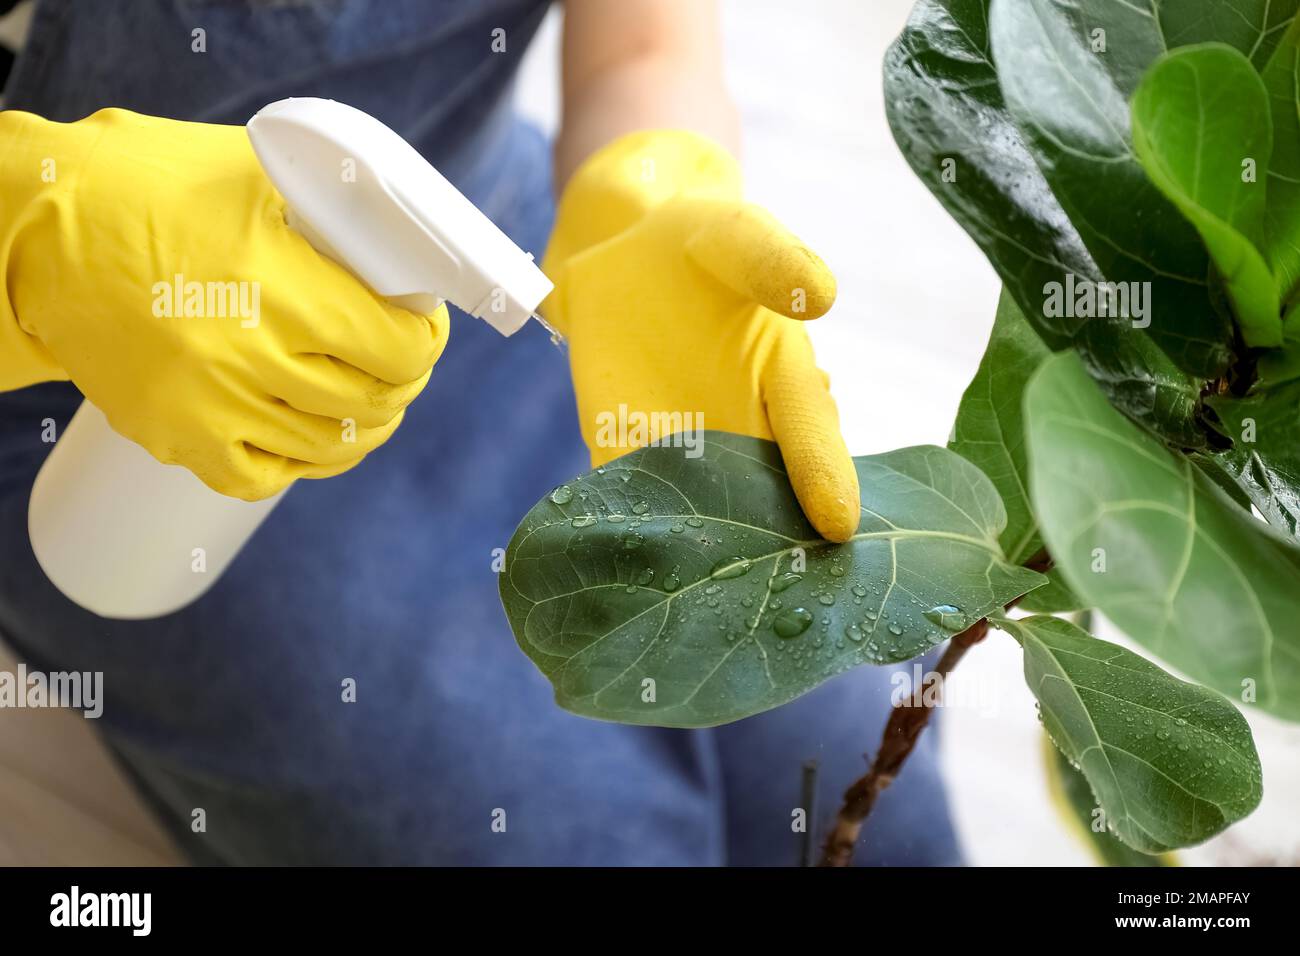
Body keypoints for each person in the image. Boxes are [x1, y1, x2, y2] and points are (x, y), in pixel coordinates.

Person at [0, 0, 961, 865]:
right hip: (114, 392)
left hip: (476, 263)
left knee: (870, 789)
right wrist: (34, 244)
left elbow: (642, 40)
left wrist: (650, 192)